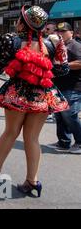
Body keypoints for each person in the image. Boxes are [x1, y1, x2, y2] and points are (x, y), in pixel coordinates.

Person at [0, 6, 69, 197]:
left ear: (22, 22)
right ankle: (32, 181)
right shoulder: (53, 43)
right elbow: (62, 70)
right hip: (43, 95)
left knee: (10, 132)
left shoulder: (10, 41)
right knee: (32, 138)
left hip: (17, 93)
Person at [47, 22, 81, 154]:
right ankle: (63, 142)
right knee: (60, 115)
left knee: (70, 115)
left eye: (63, 31)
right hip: (59, 86)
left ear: (71, 32)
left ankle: (79, 141)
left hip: (73, 87)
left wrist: (63, 65)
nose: (60, 34)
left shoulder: (75, 46)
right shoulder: (59, 46)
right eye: (58, 32)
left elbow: (80, 62)